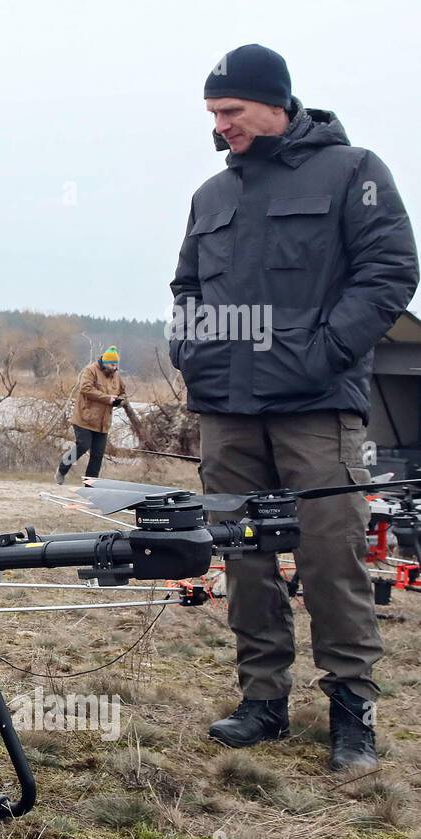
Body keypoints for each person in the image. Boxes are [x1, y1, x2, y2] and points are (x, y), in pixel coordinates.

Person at [169, 44, 418, 770]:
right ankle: (262, 700)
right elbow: (185, 288)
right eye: (213, 114)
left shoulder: (354, 172)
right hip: (228, 409)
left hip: (317, 405)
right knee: (244, 555)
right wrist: (193, 352)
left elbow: (390, 272)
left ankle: (353, 713)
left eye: (231, 111)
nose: (220, 126)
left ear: (276, 103)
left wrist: (322, 353)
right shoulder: (212, 195)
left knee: (331, 556)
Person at [55, 346, 127, 484]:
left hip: (103, 423)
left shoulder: (116, 376)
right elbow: (85, 389)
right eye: (112, 364)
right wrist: (107, 398)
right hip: (84, 418)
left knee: (97, 456)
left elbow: (123, 393)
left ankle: (90, 487)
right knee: (83, 446)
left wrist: (120, 401)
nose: (114, 367)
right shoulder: (90, 370)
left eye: (116, 364)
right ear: (105, 362)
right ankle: (62, 469)